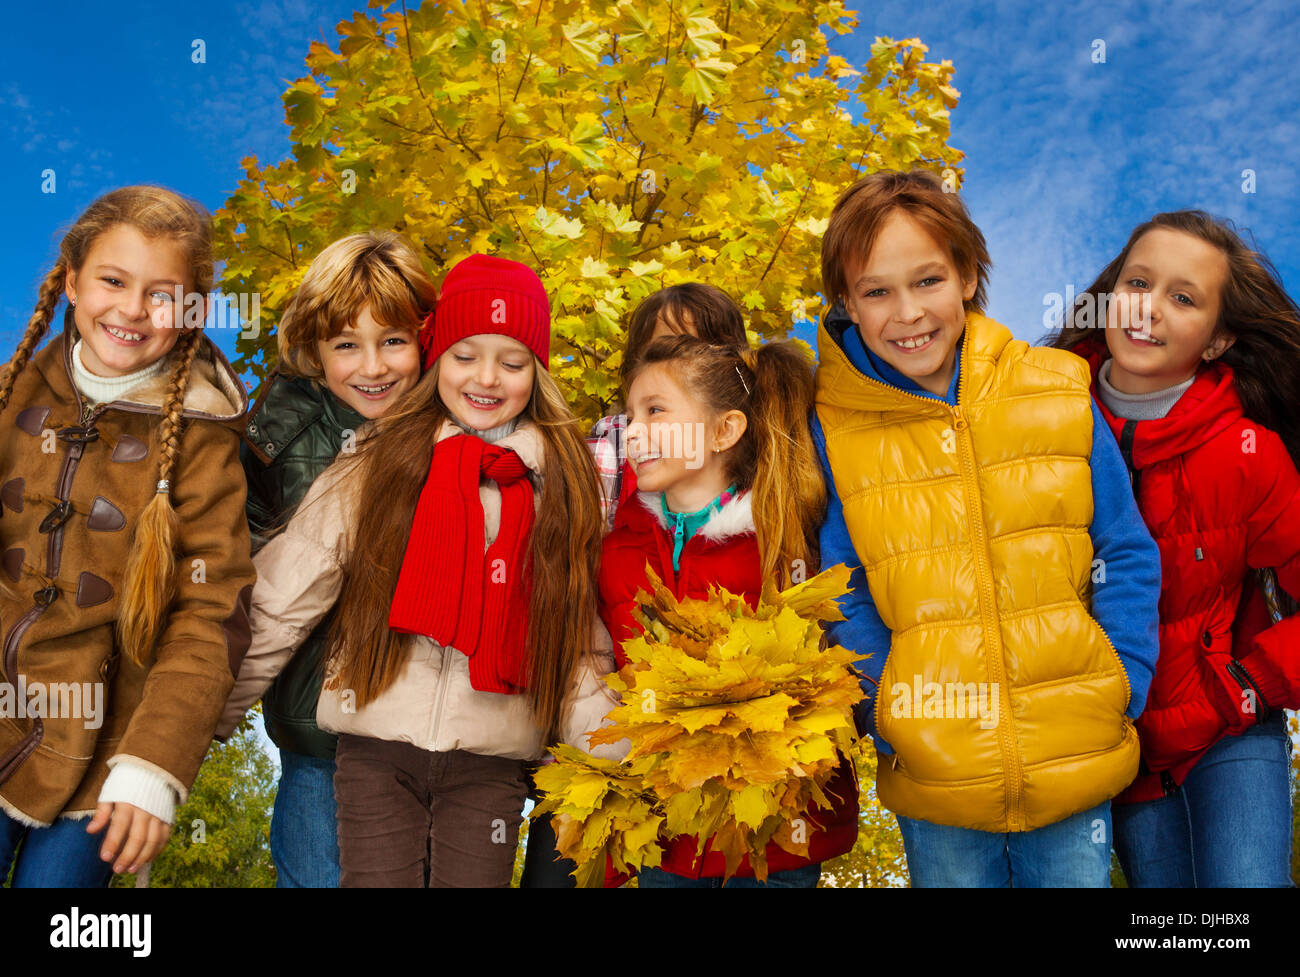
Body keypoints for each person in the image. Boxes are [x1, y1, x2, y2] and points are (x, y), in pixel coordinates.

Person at [218, 254, 619, 887]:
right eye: (464, 356)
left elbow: (572, 633)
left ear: (536, 373)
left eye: (512, 363)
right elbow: (288, 588)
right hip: (375, 741)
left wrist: (615, 749)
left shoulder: (557, 482)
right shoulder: (383, 459)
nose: (486, 378)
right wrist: (204, 711)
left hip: (492, 751)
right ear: (438, 360)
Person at [814, 169, 1162, 887]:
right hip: (937, 773)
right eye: (876, 291)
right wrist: (890, 709)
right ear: (847, 302)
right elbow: (841, 588)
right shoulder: (833, 430)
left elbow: (1123, 547)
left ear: (969, 275)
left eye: (928, 280)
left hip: (1075, 756)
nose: (907, 312)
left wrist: (1121, 683)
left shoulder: (1058, 388)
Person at [0, 185, 255, 886]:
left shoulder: (203, 443)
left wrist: (154, 762)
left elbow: (211, 613)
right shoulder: (12, 394)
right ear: (73, 279)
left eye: (164, 294)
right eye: (113, 280)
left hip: (107, 747)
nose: (134, 310)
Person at [1053, 210, 1300, 887]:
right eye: (1138, 283)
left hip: (1227, 733)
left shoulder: (1249, 455)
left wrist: (1249, 684)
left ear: (1218, 339)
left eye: (1183, 297)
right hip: (1118, 747)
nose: (1149, 309)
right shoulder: (1043, 426)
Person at [598, 333, 857, 887]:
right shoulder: (617, 548)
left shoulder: (778, 542)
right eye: (630, 414)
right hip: (666, 836)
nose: (633, 431)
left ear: (724, 430)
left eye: (656, 411)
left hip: (772, 836)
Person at [524, 282, 751, 888]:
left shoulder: (766, 467)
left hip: (717, 747)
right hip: (602, 720)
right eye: (660, 351)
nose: (673, 368)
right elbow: (568, 584)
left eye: (696, 350)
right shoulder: (605, 450)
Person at [234, 232, 435, 887]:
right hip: (320, 737)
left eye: (394, 341)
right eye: (347, 344)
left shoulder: (456, 420)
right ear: (316, 349)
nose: (373, 366)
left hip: (434, 741)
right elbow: (249, 584)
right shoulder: (275, 434)